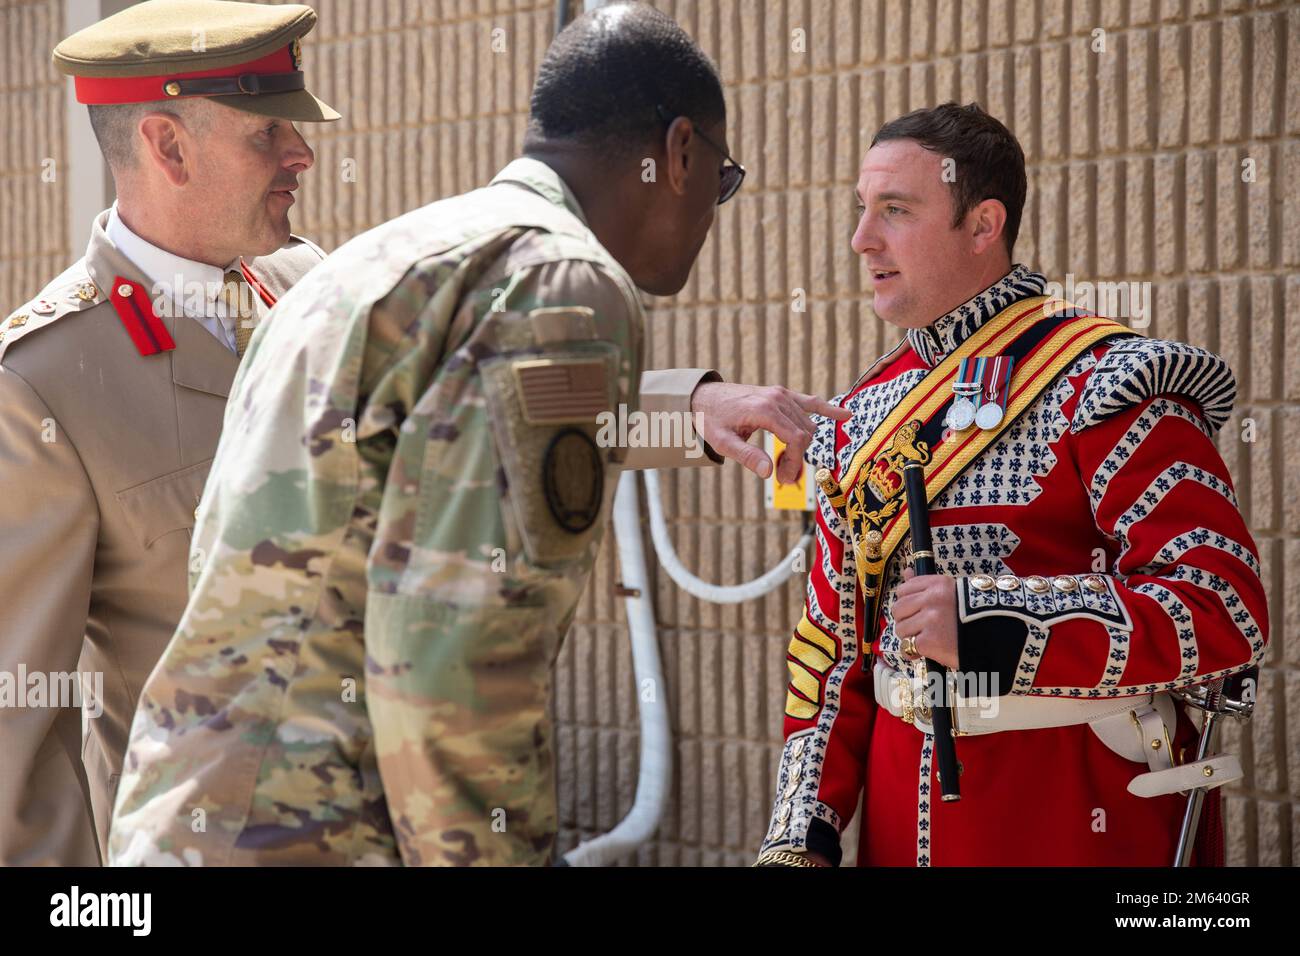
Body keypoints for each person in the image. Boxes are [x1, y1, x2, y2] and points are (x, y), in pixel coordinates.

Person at [107, 2, 845, 867]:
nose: (712, 212)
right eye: (720, 180)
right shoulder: (566, 283)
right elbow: (456, 664)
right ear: (678, 153)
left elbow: (439, 437)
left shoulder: (370, 265)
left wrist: (686, 410)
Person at [754, 103, 1266, 867]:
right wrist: (802, 834)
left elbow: (1221, 605)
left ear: (983, 223)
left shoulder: (1106, 379)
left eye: (895, 211)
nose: (862, 239)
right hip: (898, 827)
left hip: (1075, 817)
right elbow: (832, 652)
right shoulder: (860, 414)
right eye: (863, 211)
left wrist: (991, 620)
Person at [0, 0, 338, 866]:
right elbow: (16, 744)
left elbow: (480, 394)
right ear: (169, 145)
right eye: (269, 133)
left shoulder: (314, 286)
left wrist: (685, 411)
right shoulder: (39, 382)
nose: (301, 154)